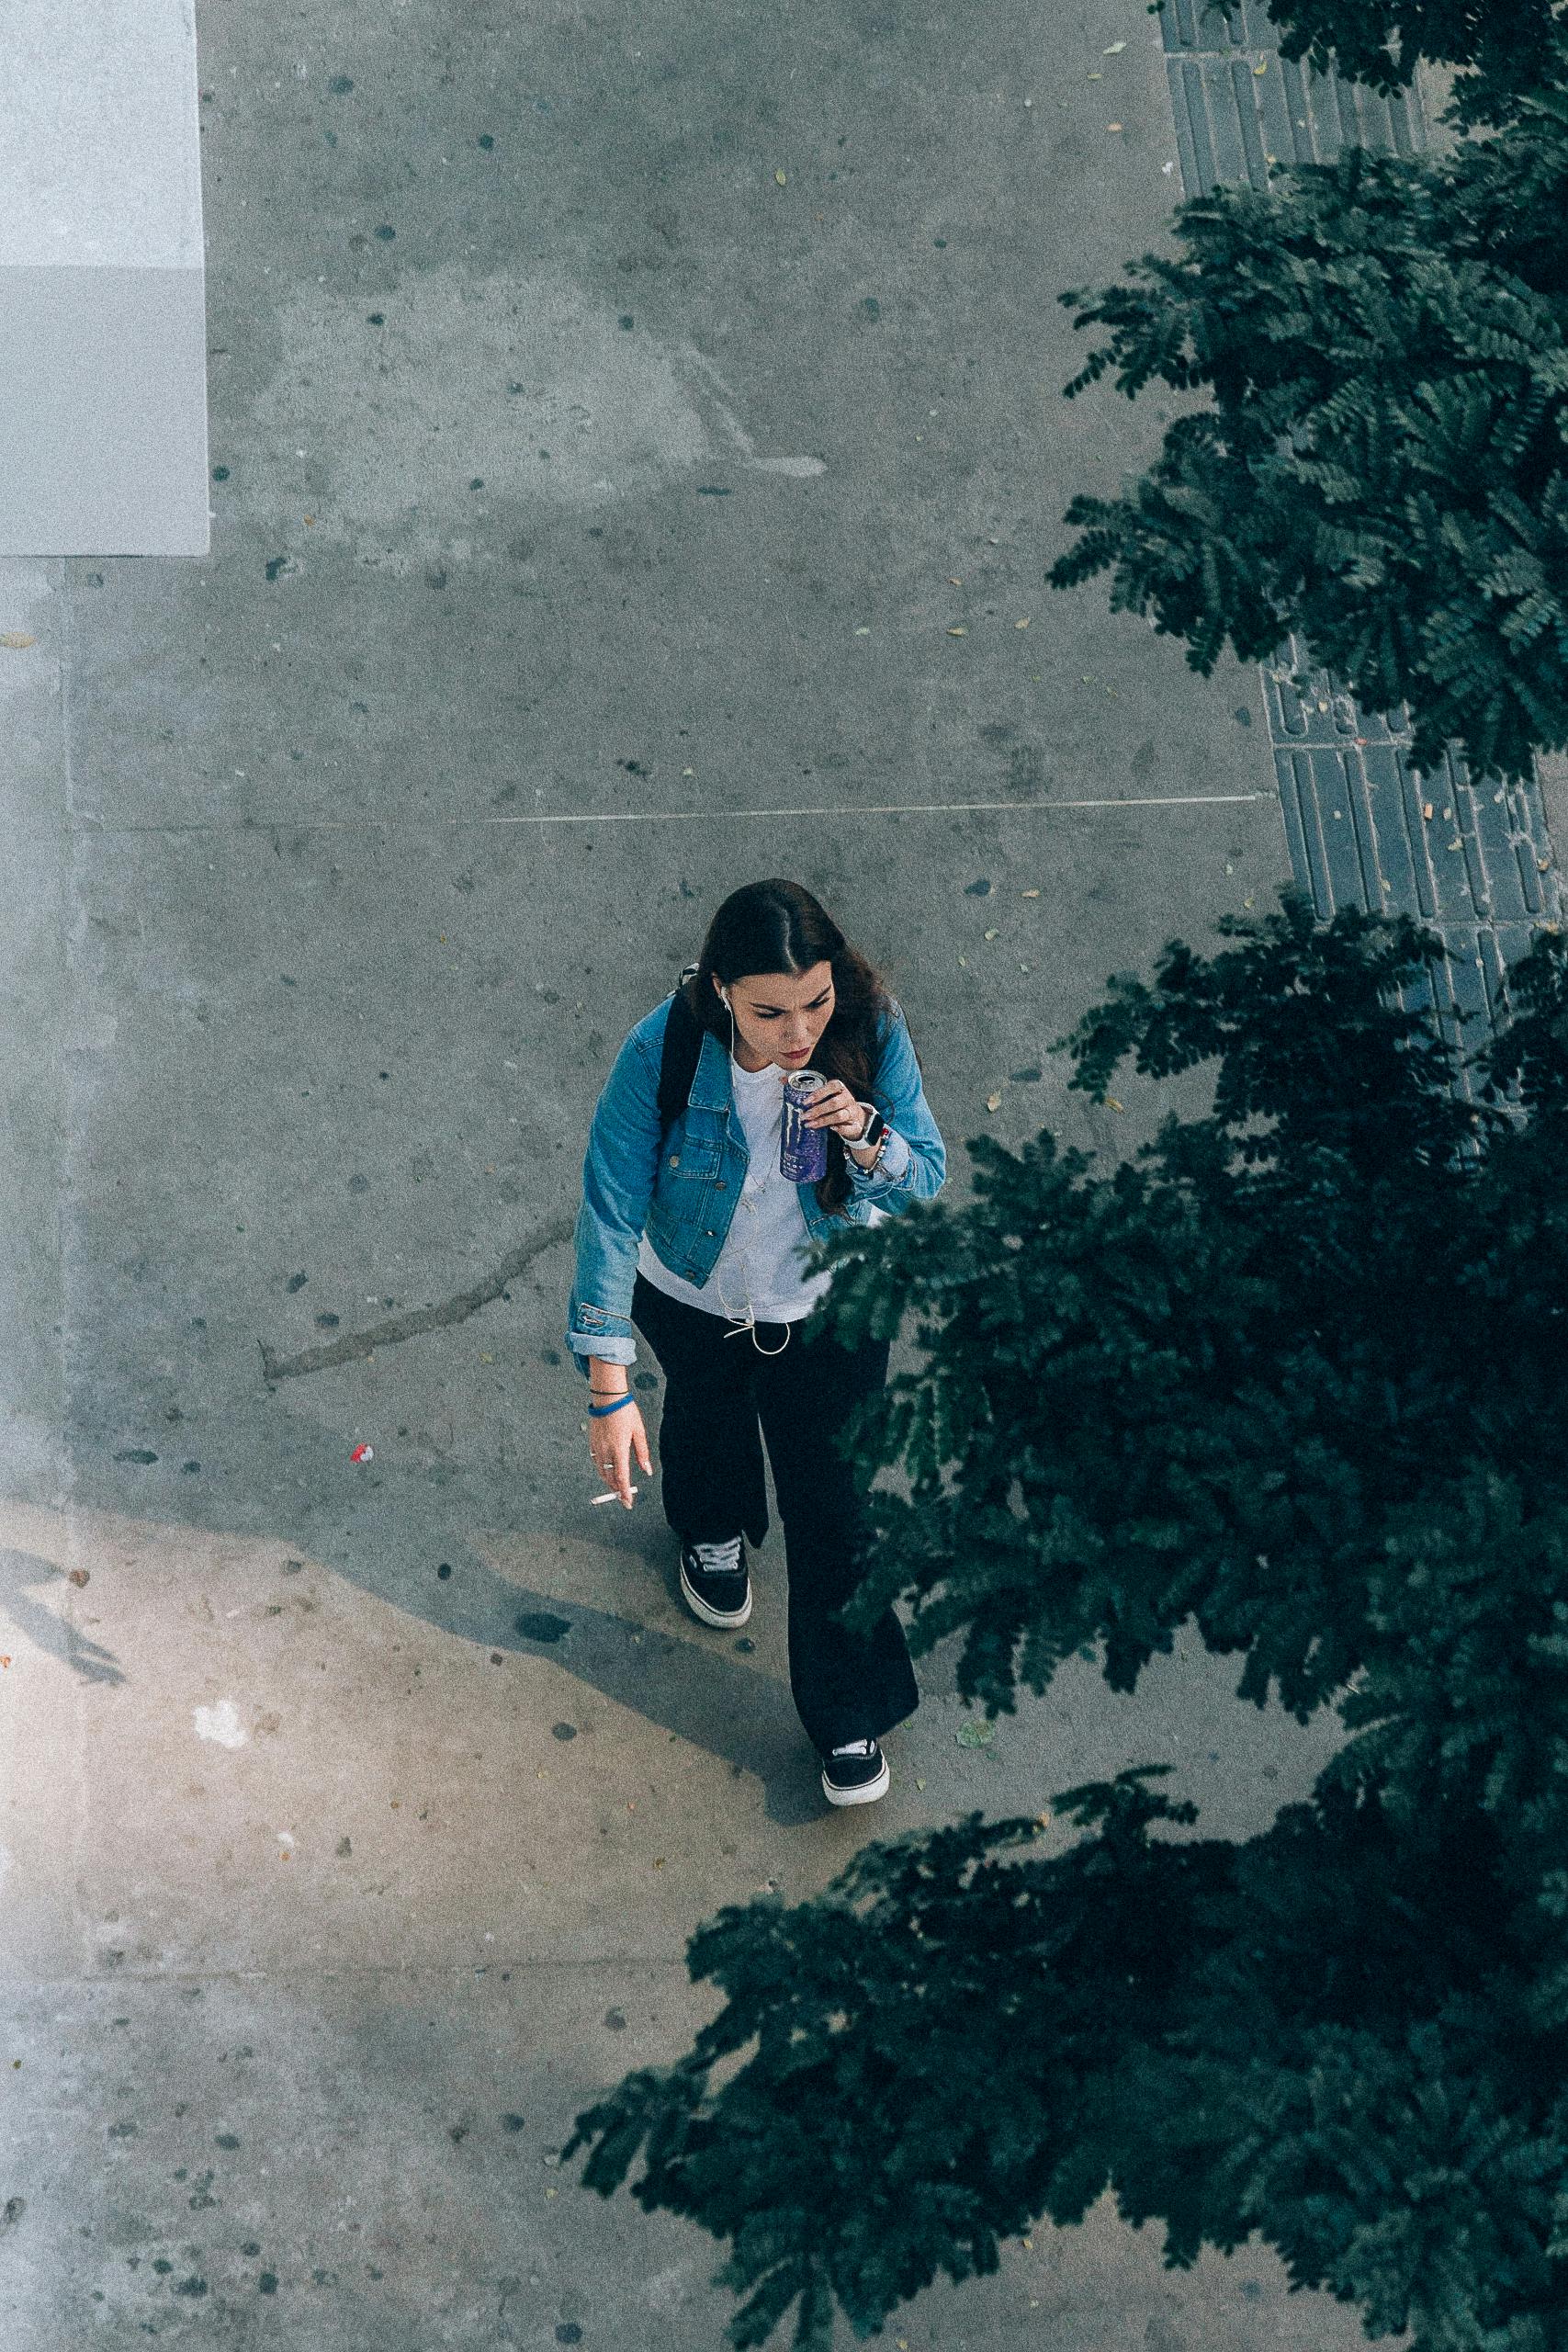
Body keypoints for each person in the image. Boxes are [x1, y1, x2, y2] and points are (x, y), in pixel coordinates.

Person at [566, 878, 946, 1805]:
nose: (799, 1031)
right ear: (721, 989)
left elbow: (925, 1181)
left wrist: (864, 1134)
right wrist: (609, 1388)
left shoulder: (873, 1030)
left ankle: (847, 1710)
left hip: (829, 1309)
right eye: (771, 1011)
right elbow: (613, 1205)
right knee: (706, 1417)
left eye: (815, 1001)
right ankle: (711, 1530)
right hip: (693, 1293)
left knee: (836, 1511)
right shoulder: (663, 1046)